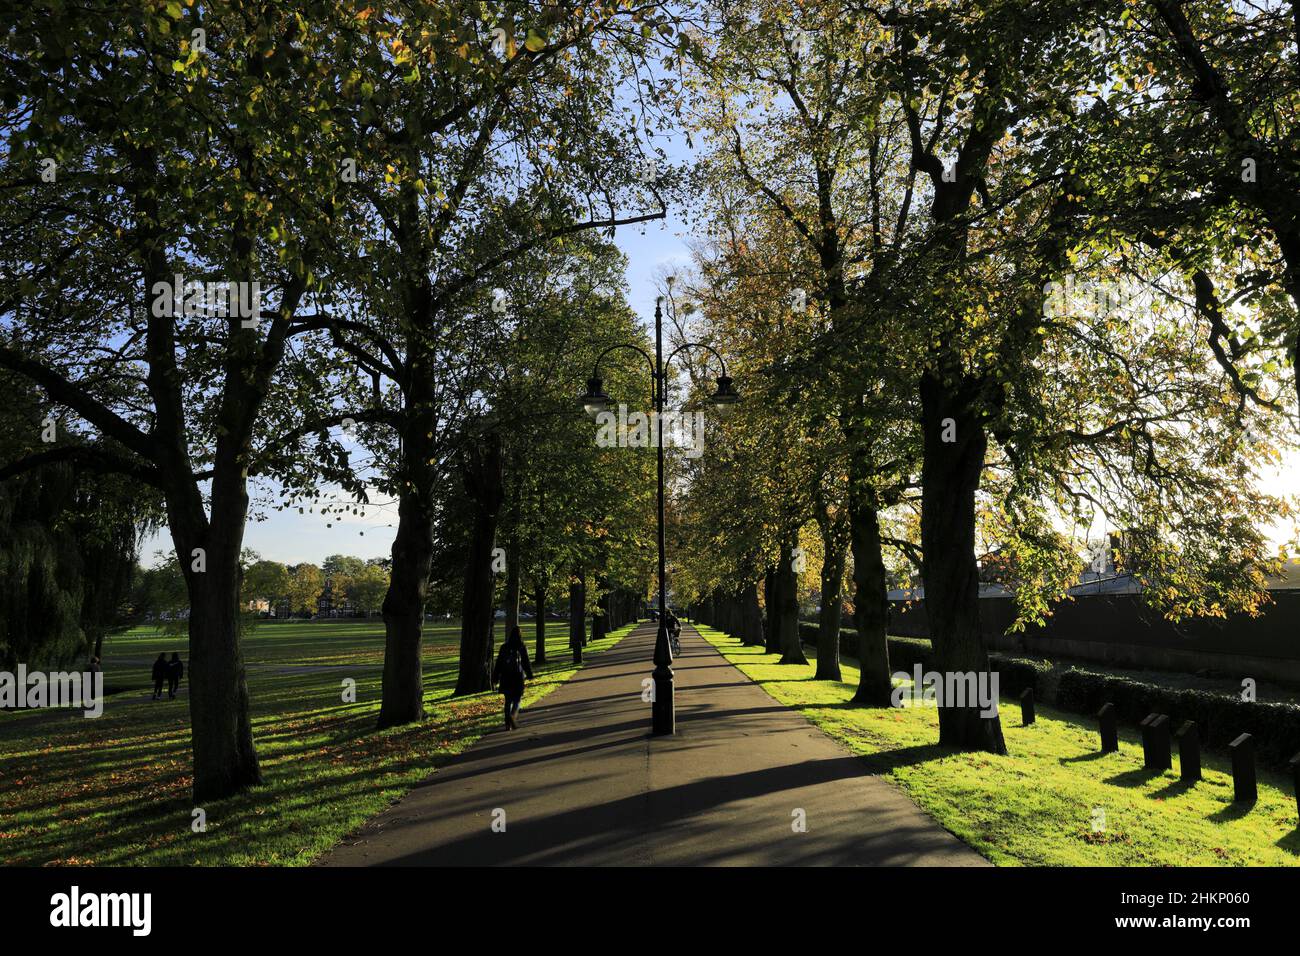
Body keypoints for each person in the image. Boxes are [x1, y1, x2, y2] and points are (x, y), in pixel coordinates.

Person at [492, 625, 534, 730]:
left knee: (508, 700)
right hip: (518, 677)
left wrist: (495, 678)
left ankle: (507, 724)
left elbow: (499, 663)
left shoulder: (504, 647)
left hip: (506, 676)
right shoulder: (522, 646)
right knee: (517, 699)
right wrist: (529, 674)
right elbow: (526, 662)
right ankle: (513, 716)